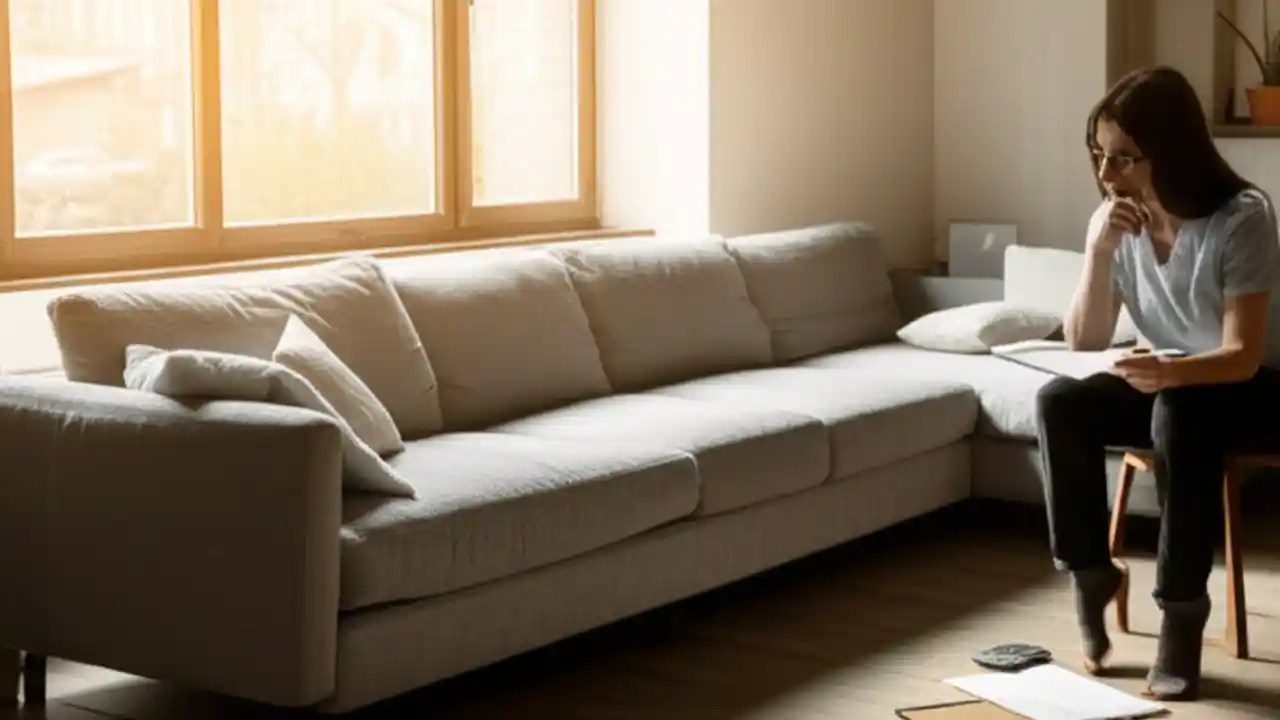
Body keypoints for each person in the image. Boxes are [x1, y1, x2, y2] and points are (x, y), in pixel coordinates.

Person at [1036, 65, 1280, 701]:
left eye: (1122, 159)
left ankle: (1180, 614)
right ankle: (1091, 577)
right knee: (1060, 401)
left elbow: (1242, 354)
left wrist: (1170, 372)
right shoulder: (1120, 219)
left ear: (1169, 151)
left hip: (1251, 389)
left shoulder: (1242, 216)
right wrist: (1097, 252)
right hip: (1172, 381)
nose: (1105, 175)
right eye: (1099, 156)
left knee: (1179, 409)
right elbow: (1083, 340)